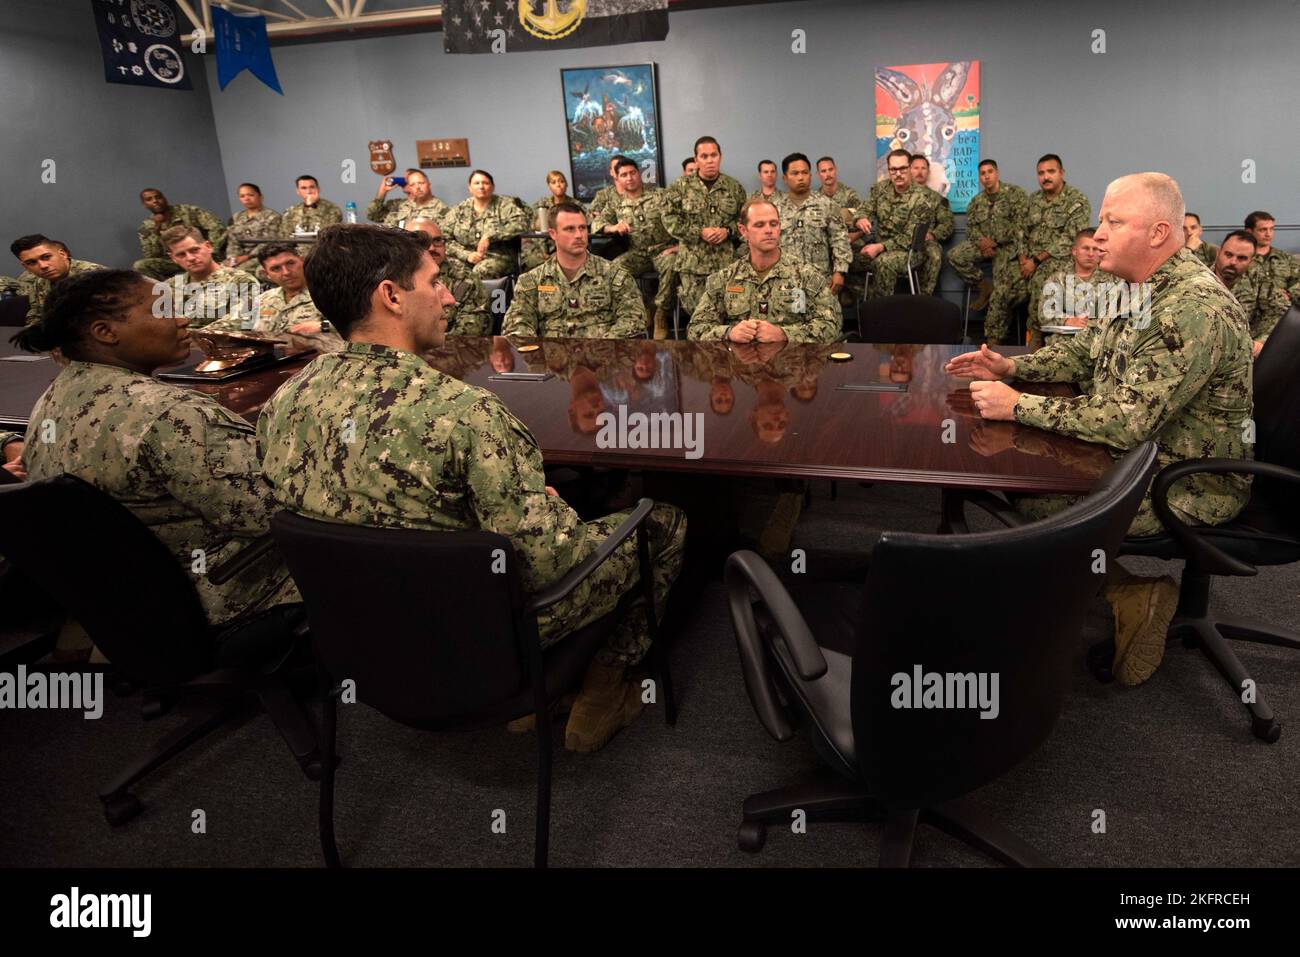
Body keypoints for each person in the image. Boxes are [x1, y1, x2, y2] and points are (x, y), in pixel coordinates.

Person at [256, 224, 686, 752]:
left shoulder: (283, 402)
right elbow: (553, 562)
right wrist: (552, 514)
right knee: (663, 522)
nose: (451, 295)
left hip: (359, 633)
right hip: (475, 635)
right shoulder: (468, 414)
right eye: (435, 282)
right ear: (391, 295)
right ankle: (605, 687)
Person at [945, 172, 1252, 687]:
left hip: (1190, 479)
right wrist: (1013, 369)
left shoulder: (1190, 307)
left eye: (1114, 221)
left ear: (1157, 233)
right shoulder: (1138, 287)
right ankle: (1114, 591)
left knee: (1036, 498)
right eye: (1103, 219)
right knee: (1018, 477)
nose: (1100, 233)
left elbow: (1128, 422)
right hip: (1144, 454)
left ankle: (1126, 594)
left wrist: (1017, 406)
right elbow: (1086, 352)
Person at [14, 269, 299, 626]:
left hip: (122, 605)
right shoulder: (173, 415)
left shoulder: (54, 397)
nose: (183, 319)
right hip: (224, 600)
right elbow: (277, 516)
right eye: (164, 310)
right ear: (106, 332)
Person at [688, 198, 841, 343]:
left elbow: (830, 327)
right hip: (741, 366)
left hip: (790, 366)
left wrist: (784, 334)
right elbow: (695, 329)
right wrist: (729, 333)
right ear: (743, 230)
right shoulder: (726, 278)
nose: (769, 230)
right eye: (759, 225)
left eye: (774, 224)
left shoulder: (806, 276)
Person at [503, 203, 646, 339]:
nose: (579, 235)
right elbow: (516, 324)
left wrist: (601, 346)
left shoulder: (615, 276)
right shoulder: (532, 281)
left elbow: (633, 318)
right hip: (552, 360)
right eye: (570, 229)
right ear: (553, 234)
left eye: (582, 228)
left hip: (602, 358)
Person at [661, 136, 747, 314]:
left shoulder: (734, 188)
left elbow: (744, 221)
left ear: (720, 157)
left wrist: (727, 231)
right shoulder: (679, 187)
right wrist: (698, 232)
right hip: (693, 267)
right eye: (704, 156)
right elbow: (669, 219)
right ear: (696, 160)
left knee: (730, 314)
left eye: (714, 155)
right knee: (698, 316)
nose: (710, 161)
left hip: (726, 265)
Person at [594, 158, 676, 337]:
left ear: (639, 174)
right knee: (613, 270)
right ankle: (638, 310)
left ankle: (660, 312)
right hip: (637, 253)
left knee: (672, 263)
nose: (629, 178)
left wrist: (678, 246)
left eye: (632, 173)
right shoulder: (616, 203)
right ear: (618, 178)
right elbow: (597, 222)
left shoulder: (661, 195)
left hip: (662, 250)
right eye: (624, 175)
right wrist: (613, 227)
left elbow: (681, 221)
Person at [852, 148, 947, 298]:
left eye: (902, 169)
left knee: (883, 263)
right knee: (845, 260)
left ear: (910, 168)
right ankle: (868, 303)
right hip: (879, 247)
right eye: (893, 170)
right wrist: (861, 218)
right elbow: (865, 208)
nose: (898, 174)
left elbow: (911, 236)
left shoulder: (924, 198)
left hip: (910, 252)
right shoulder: (880, 189)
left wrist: (881, 247)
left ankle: (884, 315)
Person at [948, 159, 1029, 315]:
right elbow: (971, 229)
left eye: (990, 172)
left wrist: (998, 244)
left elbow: (1021, 226)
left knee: (1002, 289)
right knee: (955, 255)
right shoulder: (975, 202)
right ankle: (984, 286)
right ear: (979, 177)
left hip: (1008, 249)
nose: (987, 176)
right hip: (983, 247)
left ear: (997, 173)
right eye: (983, 173)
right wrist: (982, 243)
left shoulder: (1015, 194)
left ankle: (999, 324)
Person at [231, 242, 343, 351]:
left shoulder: (332, 293)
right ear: (267, 274)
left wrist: (322, 326)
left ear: (303, 261)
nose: (286, 272)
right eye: (276, 268)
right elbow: (228, 323)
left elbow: (358, 326)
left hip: (317, 363)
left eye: (290, 263)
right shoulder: (263, 300)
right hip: (268, 362)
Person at [772, 152, 851, 291]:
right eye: (795, 173)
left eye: (804, 172)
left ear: (810, 175)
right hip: (785, 281)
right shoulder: (774, 208)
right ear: (785, 178)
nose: (801, 177)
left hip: (820, 281)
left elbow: (840, 239)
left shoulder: (827, 204)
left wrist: (840, 272)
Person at [161, 226, 259, 330]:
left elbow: (245, 321)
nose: (190, 258)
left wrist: (196, 334)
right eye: (181, 255)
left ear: (208, 246)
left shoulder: (241, 281)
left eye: (194, 250)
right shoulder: (169, 287)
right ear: (173, 258)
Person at [406, 218, 492, 336]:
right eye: (422, 242)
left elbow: (470, 333)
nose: (431, 248)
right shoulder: (388, 276)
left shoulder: (465, 279)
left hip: (447, 351)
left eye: (437, 241)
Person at [1034, 228, 1117, 350]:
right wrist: (1067, 320)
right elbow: (1044, 314)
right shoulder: (1058, 279)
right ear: (1074, 251)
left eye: (1095, 249)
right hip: (1063, 345)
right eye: (1086, 248)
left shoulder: (1112, 280)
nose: (1090, 254)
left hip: (1099, 344)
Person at [1212, 230, 1288, 358]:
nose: (1233, 262)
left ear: (1251, 261)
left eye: (1242, 258)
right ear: (1218, 253)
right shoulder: (1199, 279)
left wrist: (1261, 340)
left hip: (1244, 354)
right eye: (1228, 255)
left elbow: (1280, 311)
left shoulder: (1257, 279)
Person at [442, 169, 529, 279]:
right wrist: (465, 254)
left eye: (485, 183)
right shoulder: (460, 209)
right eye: (476, 183)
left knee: (480, 271)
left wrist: (491, 235)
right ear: (470, 188)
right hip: (465, 257)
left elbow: (522, 223)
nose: (481, 186)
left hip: (497, 257)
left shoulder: (504, 205)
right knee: (446, 269)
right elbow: (444, 238)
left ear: (492, 187)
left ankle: (479, 296)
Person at [9, 235, 106, 326]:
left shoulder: (96, 277)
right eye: (31, 262)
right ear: (26, 267)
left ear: (63, 254)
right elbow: (36, 314)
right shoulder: (40, 282)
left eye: (46, 257)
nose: (43, 266)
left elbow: (107, 317)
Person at [134, 188, 226, 280]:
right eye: (149, 199)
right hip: (174, 261)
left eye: (158, 197)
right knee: (140, 265)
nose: (155, 201)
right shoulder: (146, 227)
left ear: (165, 198)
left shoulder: (188, 211)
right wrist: (155, 229)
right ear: (144, 205)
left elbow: (217, 227)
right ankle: (168, 291)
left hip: (199, 253)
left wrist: (212, 251)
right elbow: (152, 255)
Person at [521, 170, 583, 271]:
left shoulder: (575, 205)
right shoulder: (540, 205)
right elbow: (528, 232)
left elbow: (584, 230)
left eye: (561, 181)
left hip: (566, 249)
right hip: (539, 250)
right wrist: (538, 253)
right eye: (554, 182)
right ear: (549, 186)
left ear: (566, 184)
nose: (558, 185)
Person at [1244, 210, 1300, 308]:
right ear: (1249, 232)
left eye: (1271, 229)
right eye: (1263, 230)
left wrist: (1289, 295)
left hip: (1283, 313)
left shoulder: (1286, 258)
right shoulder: (1241, 259)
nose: (1268, 234)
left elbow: (1297, 282)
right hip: (1250, 315)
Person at [223, 183, 282, 275]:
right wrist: (233, 258)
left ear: (260, 197)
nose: (246, 199)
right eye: (242, 196)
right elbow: (233, 241)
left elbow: (269, 242)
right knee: (220, 271)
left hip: (262, 255)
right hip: (240, 257)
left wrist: (246, 257)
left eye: (250, 195)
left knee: (239, 273)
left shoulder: (272, 217)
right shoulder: (237, 217)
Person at [280, 175, 342, 256]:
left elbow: (327, 235)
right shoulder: (290, 212)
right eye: (304, 188)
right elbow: (286, 238)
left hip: (322, 254)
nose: (309, 191)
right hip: (297, 256)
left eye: (312, 187)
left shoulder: (332, 209)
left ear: (318, 189)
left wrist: (311, 207)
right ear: (298, 191)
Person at [367, 168, 450, 229]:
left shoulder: (441, 209)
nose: (417, 187)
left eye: (420, 183)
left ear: (429, 185)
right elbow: (373, 215)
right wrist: (382, 192)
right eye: (412, 184)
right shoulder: (398, 205)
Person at [587, 156, 629, 222]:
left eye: (621, 166)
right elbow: (590, 217)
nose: (619, 170)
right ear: (611, 172)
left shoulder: (639, 192)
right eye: (616, 167)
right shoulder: (603, 194)